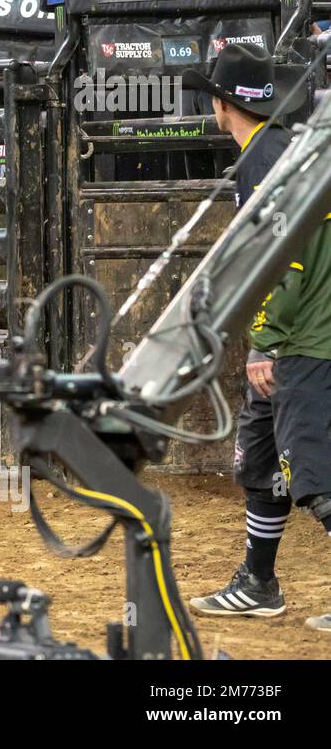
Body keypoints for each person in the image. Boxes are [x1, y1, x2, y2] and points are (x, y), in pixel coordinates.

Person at [179, 45, 331, 628]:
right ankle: (258, 582)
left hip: (302, 338)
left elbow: (282, 256)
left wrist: (265, 341)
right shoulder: (277, 150)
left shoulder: (263, 158)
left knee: (312, 473)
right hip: (299, 330)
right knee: (263, 457)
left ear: (222, 103)